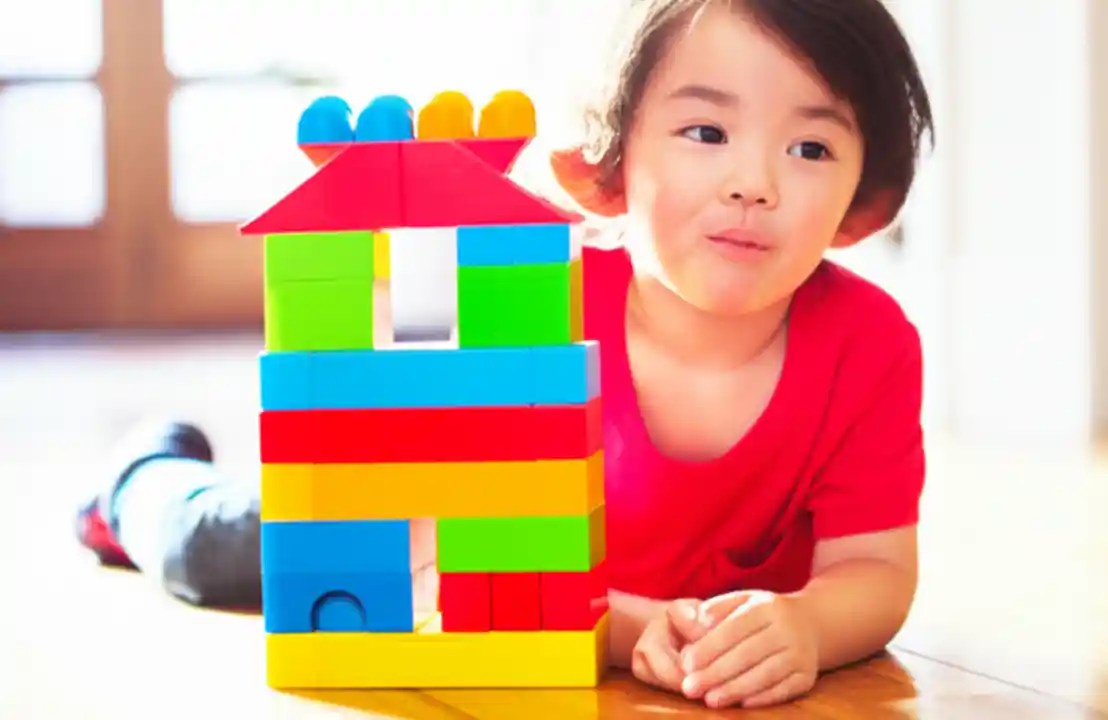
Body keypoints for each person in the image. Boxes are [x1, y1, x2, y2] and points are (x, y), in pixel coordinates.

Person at [75, 0, 933, 709]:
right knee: (210, 550)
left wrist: (812, 626)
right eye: (706, 132)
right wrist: (625, 628)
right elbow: (438, 546)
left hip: (588, 611)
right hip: (408, 544)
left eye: (811, 148)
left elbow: (875, 567)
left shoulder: (873, 348)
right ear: (603, 168)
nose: (756, 182)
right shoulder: (531, 295)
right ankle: (142, 474)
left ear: (865, 203)